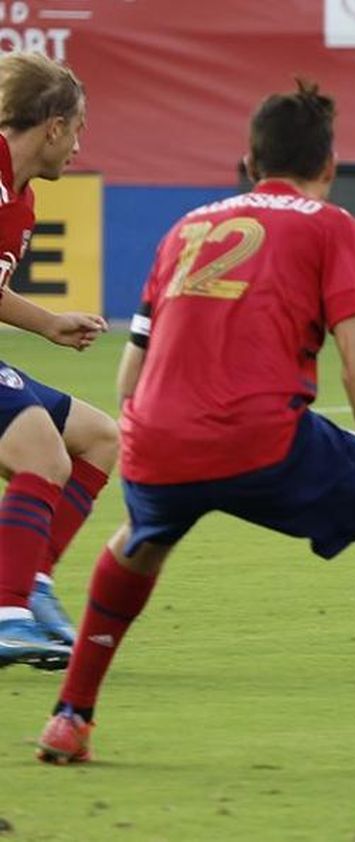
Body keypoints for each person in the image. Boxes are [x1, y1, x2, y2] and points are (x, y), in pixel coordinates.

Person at [35, 79, 355, 774]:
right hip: (259, 437)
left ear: (248, 161)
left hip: (156, 436)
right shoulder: (334, 228)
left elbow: (128, 377)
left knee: (136, 543)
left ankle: (70, 718)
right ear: (329, 166)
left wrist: (162, 449)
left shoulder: (186, 227)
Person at [0, 52, 117, 670]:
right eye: (77, 129)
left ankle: (32, 583)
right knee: (41, 454)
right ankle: (6, 612)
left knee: (97, 437)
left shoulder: (20, 207)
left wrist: (47, 322)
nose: (77, 145)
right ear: (52, 127)